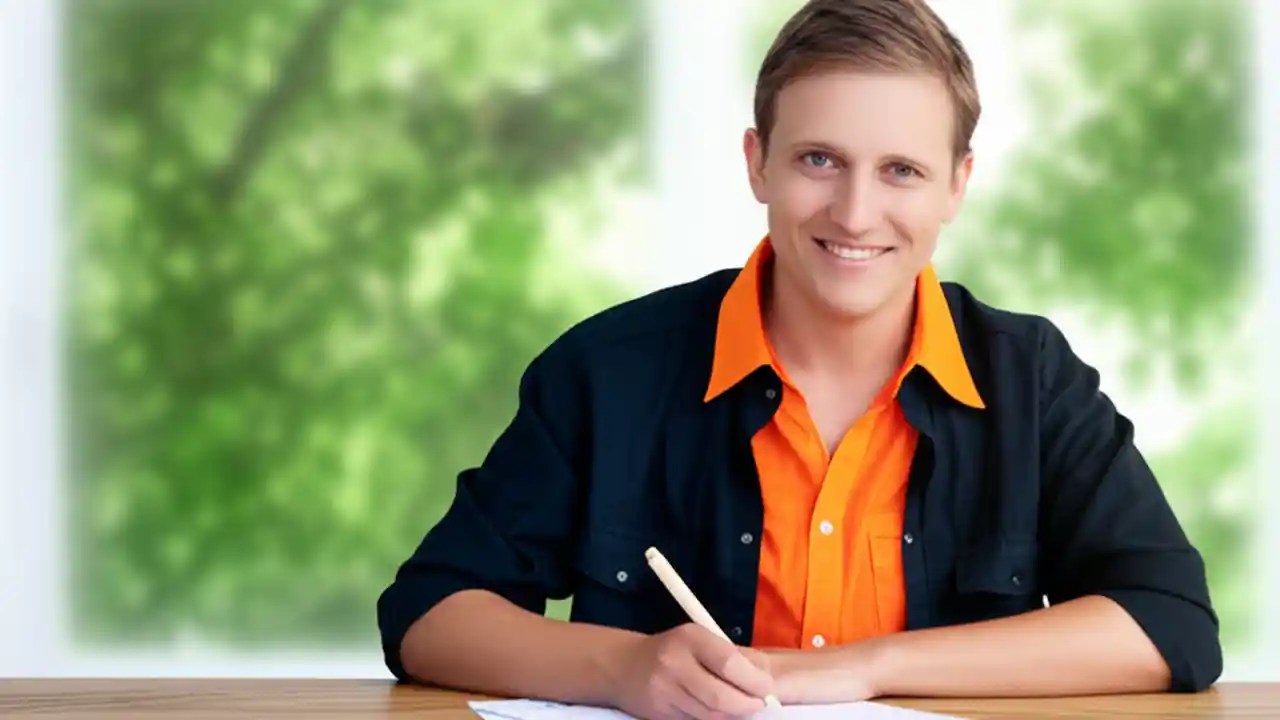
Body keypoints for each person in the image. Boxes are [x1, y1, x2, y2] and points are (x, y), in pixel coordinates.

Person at [377, 1, 1221, 717]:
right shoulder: (609, 371)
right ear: (758, 164)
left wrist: (866, 668)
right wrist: (622, 668)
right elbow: (428, 613)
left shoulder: (1030, 379)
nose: (854, 213)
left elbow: (1169, 622)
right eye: (820, 160)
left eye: (901, 171)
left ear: (957, 186)